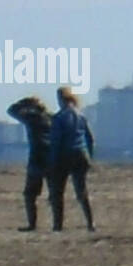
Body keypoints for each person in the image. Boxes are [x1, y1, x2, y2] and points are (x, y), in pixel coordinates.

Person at [48, 87, 96, 232]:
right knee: (81, 191)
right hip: (81, 155)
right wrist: (90, 156)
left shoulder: (58, 118)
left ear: (61, 99)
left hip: (64, 156)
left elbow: (56, 141)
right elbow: (90, 139)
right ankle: (90, 222)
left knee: (57, 192)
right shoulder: (81, 116)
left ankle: (58, 225)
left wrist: (52, 161)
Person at [7, 96, 52, 231]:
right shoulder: (52, 118)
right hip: (52, 157)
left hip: (37, 158)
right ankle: (57, 224)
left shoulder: (32, 118)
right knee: (55, 194)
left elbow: (11, 110)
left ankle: (32, 224)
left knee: (30, 195)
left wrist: (24, 103)